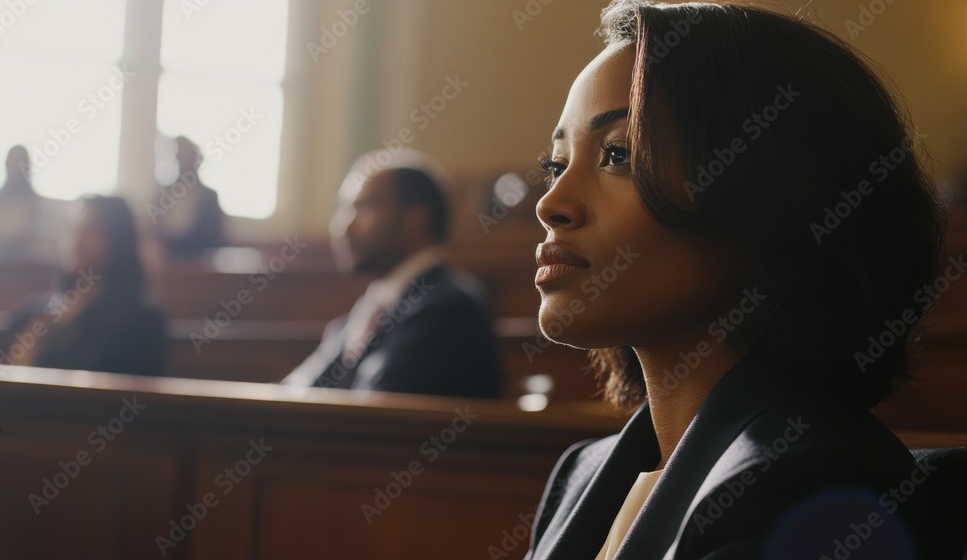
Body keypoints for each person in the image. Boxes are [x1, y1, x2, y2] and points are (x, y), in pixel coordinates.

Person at [524, 2, 963, 559]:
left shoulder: (812, 481)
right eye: (557, 165)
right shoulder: (583, 476)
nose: (551, 204)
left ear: (774, 192)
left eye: (617, 153)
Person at [281, 150, 502, 399]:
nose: (343, 226)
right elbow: (298, 390)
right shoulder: (371, 308)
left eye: (364, 205)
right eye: (343, 208)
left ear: (417, 217)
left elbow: (377, 413)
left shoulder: (449, 307)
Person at [3, 196, 167, 376]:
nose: (77, 239)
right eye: (73, 228)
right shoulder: (32, 312)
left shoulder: (142, 320)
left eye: (90, 231)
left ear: (119, 240)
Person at [154, 136, 225, 258]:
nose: (184, 160)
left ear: (196, 159)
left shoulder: (209, 197)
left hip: (198, 260)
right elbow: (155, 228)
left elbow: (213, 236)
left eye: (188, 155)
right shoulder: (164, 194)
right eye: (180, 155)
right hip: (168, 259)